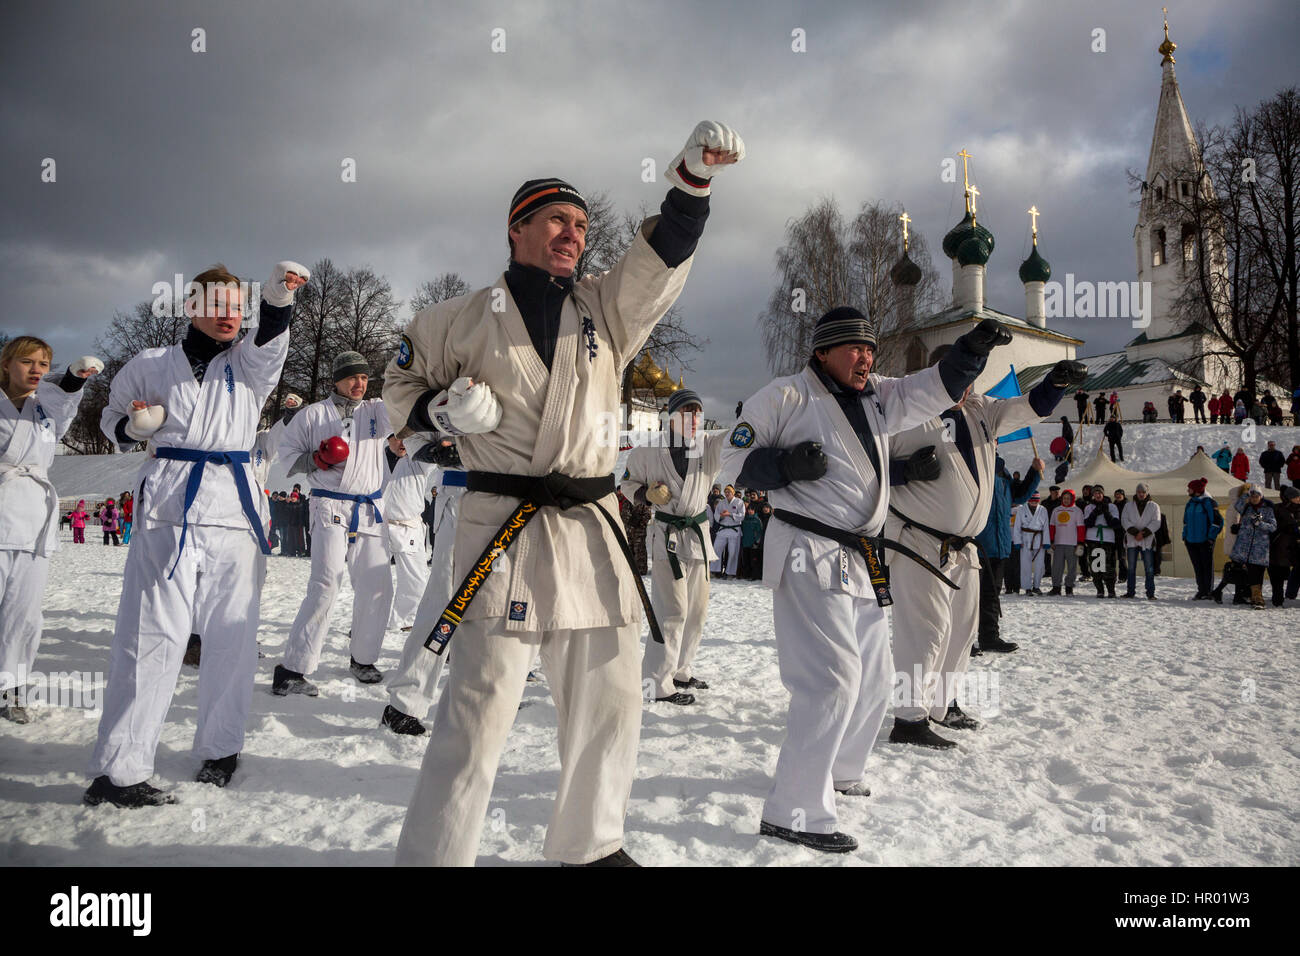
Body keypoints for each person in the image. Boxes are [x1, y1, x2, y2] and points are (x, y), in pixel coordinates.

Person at [386, 120, 745, 868]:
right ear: (517, 228)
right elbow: (399, 385)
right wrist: (437, 413)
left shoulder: (603, 311)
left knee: (613, 699)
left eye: (581, 225)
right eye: (556, 219)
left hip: (589, 525)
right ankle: (435, 855)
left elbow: (658, 263)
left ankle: (591, 845)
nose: (572, 234)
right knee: (477, 713)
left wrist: (690, 185)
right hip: (502, 527)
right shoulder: (456, 318)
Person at [722, 306, 1012, 852]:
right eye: (854, 348)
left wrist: (973, 350)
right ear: (823, 351)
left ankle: (840, 769)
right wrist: (784, 468)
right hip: (807, 548)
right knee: (830, 678)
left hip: (859, 555)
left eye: (870, 349)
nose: (865, 358)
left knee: (876, 677)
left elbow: (936, 386)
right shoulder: (784, 397)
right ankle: (795, 809)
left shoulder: (882, 396)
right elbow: (730, 461)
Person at [85, 260, 307, 805]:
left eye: (237, 307)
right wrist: (134, 425)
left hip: (233, 510)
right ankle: (120, 770)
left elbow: (273, 340)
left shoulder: (248, 364)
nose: (229, 316)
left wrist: (278, 297)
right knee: (150, 637)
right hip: (169, 505)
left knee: (232, 636)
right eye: (217, 306)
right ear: (191, 309)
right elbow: (108, 420)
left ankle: (221, 746)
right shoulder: (151, 363)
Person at [885, 358, 1083, 747]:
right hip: (917, 541)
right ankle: (909, 718)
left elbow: (1029, 407)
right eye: (957, 379)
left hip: (965, 548)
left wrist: (1054, 385)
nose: (964, 388)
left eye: (968, 380)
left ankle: (943, 703)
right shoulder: (903, 415)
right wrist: (904, 472)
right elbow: (864, 468)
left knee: (961, 632)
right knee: (924, 632)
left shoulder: (981, 410)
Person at [274, 351, 394, 694]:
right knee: (326, 583)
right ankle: (292, 669)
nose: (359, 384)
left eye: (364, 378)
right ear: (336, 379)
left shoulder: (375, 411)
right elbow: (287, 458)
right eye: (352, 377)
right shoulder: (312, 414)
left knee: (377, 584)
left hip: (369, 507)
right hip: (329, 505)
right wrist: (316, 459)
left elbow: (403, 412)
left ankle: (363, 658)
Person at [0, 339, 100, 723]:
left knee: (25, 616)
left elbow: (64, 405)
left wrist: (74, 379)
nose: (36, 368)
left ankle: (12, 687)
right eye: (27, 361)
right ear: (7, 363)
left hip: (34, 521)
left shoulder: (46, 411)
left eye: (44, 363)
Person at [621, 388, 727, 705]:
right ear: (672, 417)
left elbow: (739, 439)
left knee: (696, 610)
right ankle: (656, 680)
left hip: (697, 533)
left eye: (698, 413)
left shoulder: (708, 445)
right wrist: (646, 495)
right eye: (686, 413)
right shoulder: (647, 451)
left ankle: (681, 668)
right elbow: (627, 483)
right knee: (672, 610)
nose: (694, 419)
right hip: (667, 535)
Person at [381, 438, 466, 736]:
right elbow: (413, 415)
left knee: (499, 603)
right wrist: (432, 447)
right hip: (464, 494)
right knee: (444, 602)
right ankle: (406, 702)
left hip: (514, 498)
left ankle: (484, 690)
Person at [974, 455, 1041, 652]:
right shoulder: (974, 462)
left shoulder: (1002, 470)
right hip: (976, 545)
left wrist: (1034, 472)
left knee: (991, 595)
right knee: (970, 598)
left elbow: (1018, 495)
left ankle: (989, 637)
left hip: (999, 544)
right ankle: (964, 641)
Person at [383, 434, 438, 632]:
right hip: (377, 526)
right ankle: (367, 620)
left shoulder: (419, 460)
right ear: (388, 439)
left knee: (416, 579)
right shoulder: (374, 458)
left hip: (409, 526)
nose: (403, 443)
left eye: (407, 439)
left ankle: (406, 619)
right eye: (397, 438)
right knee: (372, 578)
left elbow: (433, 451)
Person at [1229, 485, 1277, 609]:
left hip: (1260, 549)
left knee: (1258, 573)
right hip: (1245, 548)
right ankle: (1255, 598)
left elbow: (1273, 527)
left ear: (1261, 497)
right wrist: (1246, 493)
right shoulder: (1246, 508)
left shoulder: (1268, 509)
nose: (1254, 499)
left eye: (1256, 496)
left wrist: (1260, 524)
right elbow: (1237, 505)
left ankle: (1257, 597)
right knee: (1251, 573)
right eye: (1252, 496)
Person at [1182, 477, 1222, 599]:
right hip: (1191, 541)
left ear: (1196, 490)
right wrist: (1185, 536)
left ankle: (1208, 591)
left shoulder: (1209, 503)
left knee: (1206, 567)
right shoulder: (1190, 503)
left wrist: (1210, 537)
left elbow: (1217, 521)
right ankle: (1201, 590)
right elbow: (1186, 521)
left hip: (1205, 541)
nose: (1187, 490)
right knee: (1197, 567)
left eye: (1189, 488)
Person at [1121, 482, 1161, 599]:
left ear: (1146, 493)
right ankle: (1130, 592)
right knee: (1131, 568)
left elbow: (1156, 522)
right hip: (1132, 539)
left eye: (1143, 492)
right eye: (1139, 492)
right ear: (1136, 492)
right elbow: (1124, 520)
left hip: (1146, 540)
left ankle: (1150, 593)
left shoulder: (1154, 506)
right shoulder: (1128, 506)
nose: (1141, 494)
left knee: (1149, 568)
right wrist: (1134, 532)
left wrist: (1143, 534)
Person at [1082, 484, 1122, 598]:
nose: (1098, 495)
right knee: (1095, 565)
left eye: (1099, 493)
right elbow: (1088, 523)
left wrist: (1106, 512)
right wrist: (1095, 512)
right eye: (1095, 493)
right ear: (1093, 495)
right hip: (1093, 538)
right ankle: (1099, 589)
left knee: (1108, 565)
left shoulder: (1112, 507)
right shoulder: (1089, 507)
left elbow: (1115, 523)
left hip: (1107, 538)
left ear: (1103, 494)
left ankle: (1111, 589)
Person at [1267, 486, 1299, 606]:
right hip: (1280, 545)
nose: (1299, 499)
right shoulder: (1278, 508)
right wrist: (1286, 528)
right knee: (1278, 573)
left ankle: (1289, 594)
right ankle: (1278, 598)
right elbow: (1273, 526)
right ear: (1290, 498)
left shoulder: (1298, 509)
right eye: (1296, 497)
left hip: (1295, 546)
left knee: (1293, 572)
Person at [1048, 489, 1083, 595]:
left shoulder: (1077, 511)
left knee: (1072, 567)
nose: (1066, 500)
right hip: (1058, 543)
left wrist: (1080, 543)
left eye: (1068, 498)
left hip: (1072, 544)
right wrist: (1051, 541)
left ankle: (1069, 587)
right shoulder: (1056, 510)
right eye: (1064, 498)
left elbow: (1081, 528)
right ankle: (1056, 587)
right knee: (1056, 567)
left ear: (1072, 499)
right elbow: (1052, 527)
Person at [1014, 492, 1050, 595]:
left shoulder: (1043, 510)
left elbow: (1046, 527)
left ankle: (1036, 586)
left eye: (1036, 501)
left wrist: (1046, 541)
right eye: (1032, 500)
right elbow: (1017, 526)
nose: (1034, 503)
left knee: (1040, 565)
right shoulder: (1021, 509)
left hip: (1039, 539)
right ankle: (1027, 587)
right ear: (1029, 500)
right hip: (1025, 539)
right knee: (1026, 565)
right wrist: (1018, 541)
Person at [710, 483, 744, 578]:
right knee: (716, 548)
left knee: (733, 552)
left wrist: (730, 514)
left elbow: (742, 516)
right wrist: (721, 516)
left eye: (729, 491)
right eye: (725, 492)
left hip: (734, 529)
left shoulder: (739, 502)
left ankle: (730, 573)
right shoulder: (721, 503)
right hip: (723, 529)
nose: (727, 493)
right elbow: (716, 515)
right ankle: (714, 570)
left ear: (733, 493)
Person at [740, 504, 763, 580]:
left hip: (753, 544)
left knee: (753, 561)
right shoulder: (744, 519)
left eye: (752, 509)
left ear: (754, 511)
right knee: (746, 560)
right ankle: (747, 575)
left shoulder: (757, 520)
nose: (750, 511)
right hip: (745, 543)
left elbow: (759, 532)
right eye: (749, 509)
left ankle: (754, 575)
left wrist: (757, 542)